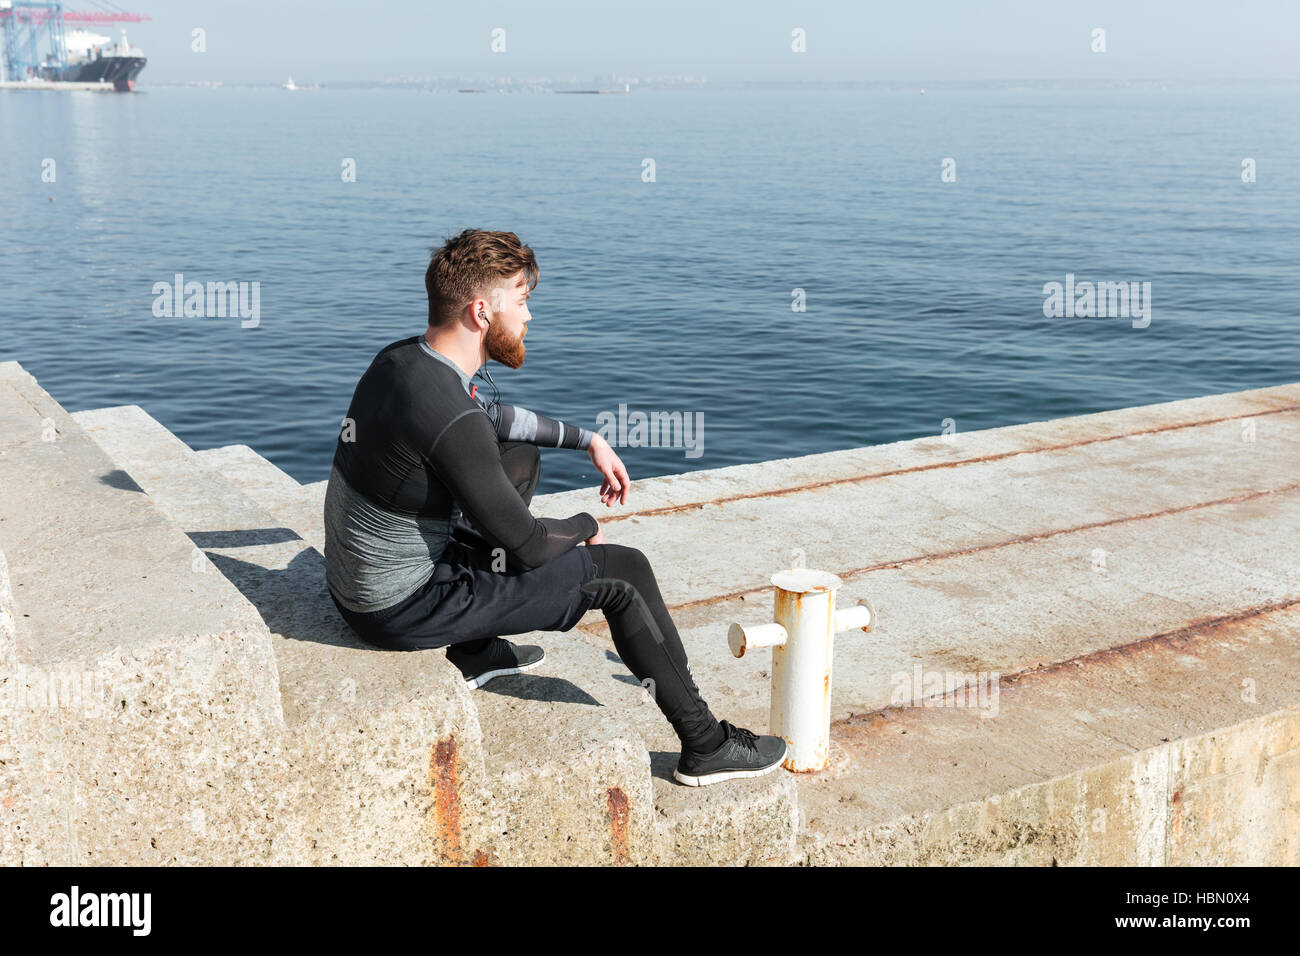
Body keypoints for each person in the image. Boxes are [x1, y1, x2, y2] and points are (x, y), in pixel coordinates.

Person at [323, 228, 785, 787]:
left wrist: (587, 438)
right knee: (624, 571)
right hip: (399, 608)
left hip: (359, 584)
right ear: (480, 312)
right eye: (521, 300)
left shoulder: (403, 362)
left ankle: (475, 651)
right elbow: (531, 544)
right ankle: (706, 746)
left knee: (517, 455)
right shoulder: (451, 415)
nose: (529, 317)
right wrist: (586, 525)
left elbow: (493, 422)